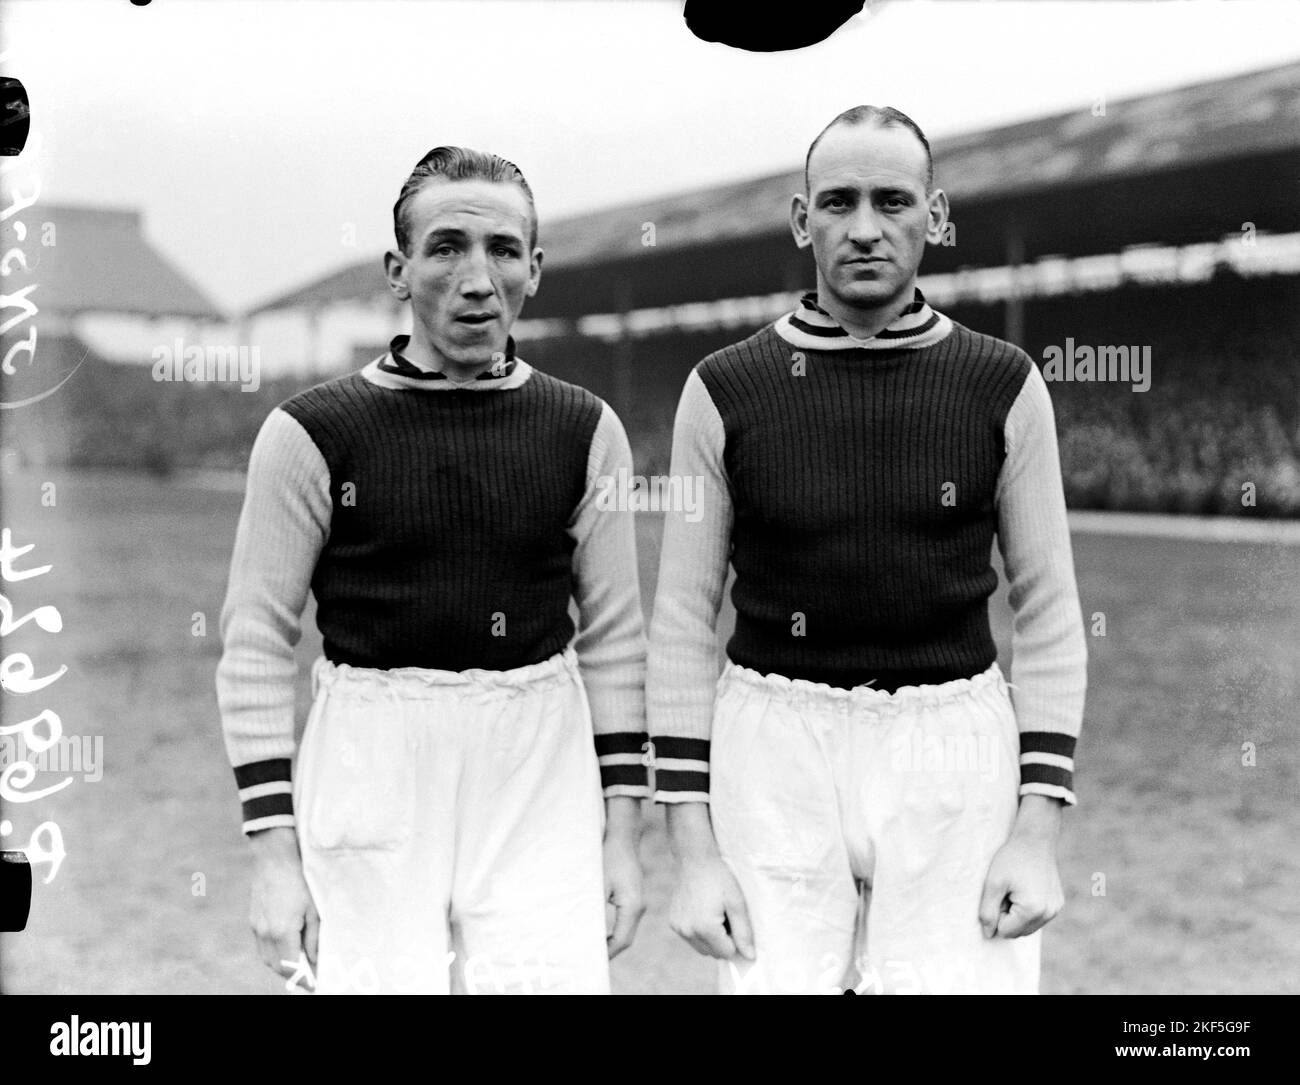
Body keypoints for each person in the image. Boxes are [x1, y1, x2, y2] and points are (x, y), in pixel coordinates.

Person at [647, 106, 1088, 994]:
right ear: (801, 218)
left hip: (950, 744)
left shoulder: (1003, 383)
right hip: (772, 746)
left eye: (892, 201)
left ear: (935, 215)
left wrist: (1037, 832)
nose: (864, 228)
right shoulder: (723, 389)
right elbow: (681, 624)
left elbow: (1047, 613)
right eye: (838, 201)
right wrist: (693, 851)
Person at [216, 146, 648, 994]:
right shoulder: (310, 432)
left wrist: (622, 837)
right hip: (370, 754)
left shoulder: (584, 429)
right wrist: (272, 853)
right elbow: (257, 642)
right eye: (447, 247)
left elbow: (616, 643)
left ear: (535, 269)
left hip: (538, 764)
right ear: (398, 268)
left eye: (503, 251)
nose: (477, 278)